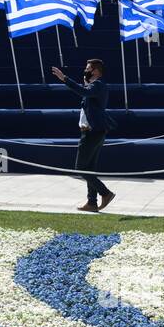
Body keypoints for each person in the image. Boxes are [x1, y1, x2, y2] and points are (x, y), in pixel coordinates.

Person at [50, 58, 115, 212]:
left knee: (80, 168)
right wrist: (85, 84)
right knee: (89, 169)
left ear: (96, 71)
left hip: (92, 133)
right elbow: (87, 94)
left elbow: (84, 92)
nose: (85, 70)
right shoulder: (95, 86)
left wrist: (64, 78)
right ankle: (92, 203)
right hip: (94, 132)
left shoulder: (98, 85)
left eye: (88, 68)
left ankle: (105, 193)